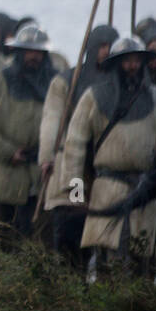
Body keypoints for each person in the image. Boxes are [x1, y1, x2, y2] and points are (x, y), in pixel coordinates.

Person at [63, 37, 156, 276]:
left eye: (136, 61)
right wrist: (75, 191)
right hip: (107, 189)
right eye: (126, 61)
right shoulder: (93, 97)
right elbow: (74, 146)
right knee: (108, 262)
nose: (132, 66)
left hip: (145, 191)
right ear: (115, 65)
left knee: (143, 261)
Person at [37, 24, 118, 268]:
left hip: (102, 169)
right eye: (102, 46)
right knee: (70, 226)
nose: (106, 51)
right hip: (71, 165)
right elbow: (52, 120)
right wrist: (46, 157)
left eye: (110, 47)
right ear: (91, 48)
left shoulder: (119, 85)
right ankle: (67, 290)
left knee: (99, 234)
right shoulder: (66, 82)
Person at [0, 24, 56, 235]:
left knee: (39, 239)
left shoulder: (57, 84)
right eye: (28, 51)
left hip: (41, 172)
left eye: (38, 51)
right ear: (19, 52)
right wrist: (6, 150)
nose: (33, 56)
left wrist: (50, 155)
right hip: (5, 170)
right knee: (1, 238)